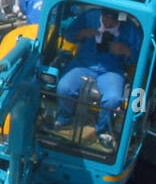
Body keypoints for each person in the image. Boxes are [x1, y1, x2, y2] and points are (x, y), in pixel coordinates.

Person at [53, 8, 141, 151]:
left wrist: (126, 51)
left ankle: (103, 130)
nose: (108, 23)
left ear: (120, 20)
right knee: (64, 87)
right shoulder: (89, 17)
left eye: (112, 21)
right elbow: (68, 34)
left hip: (111, 69)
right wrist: (82, 33)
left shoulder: (130, 29)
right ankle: (64, 118)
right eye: (105, 19)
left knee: (113, 98)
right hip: (83, 63)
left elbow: (140, 55)